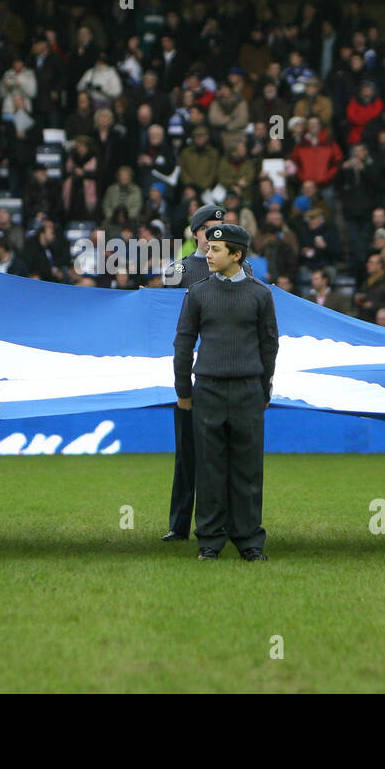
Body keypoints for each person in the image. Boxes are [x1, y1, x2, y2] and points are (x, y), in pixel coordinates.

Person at [173, 223, 279, 561]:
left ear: (237, 255)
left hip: (248, 390)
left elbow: (269, 346)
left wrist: (264, 389)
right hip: (208, 390)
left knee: (248, 471)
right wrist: (183, 390)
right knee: (209, 468)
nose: (208, 252)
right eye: (209, 247)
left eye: (217, 249)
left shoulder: (261, 294)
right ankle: (209, 541)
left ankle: (249, 541)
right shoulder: (198, 293)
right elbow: (183, 344)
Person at [160, 203, 252, 543]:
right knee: (187, 454)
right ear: (196, 232)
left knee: (225, 454)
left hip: (222, 369)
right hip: (189, 372)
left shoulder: (242, 269)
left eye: (221, 226)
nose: (216, 232)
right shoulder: (178, 270)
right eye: (210, 227)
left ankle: (224, 523)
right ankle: (179, 524)